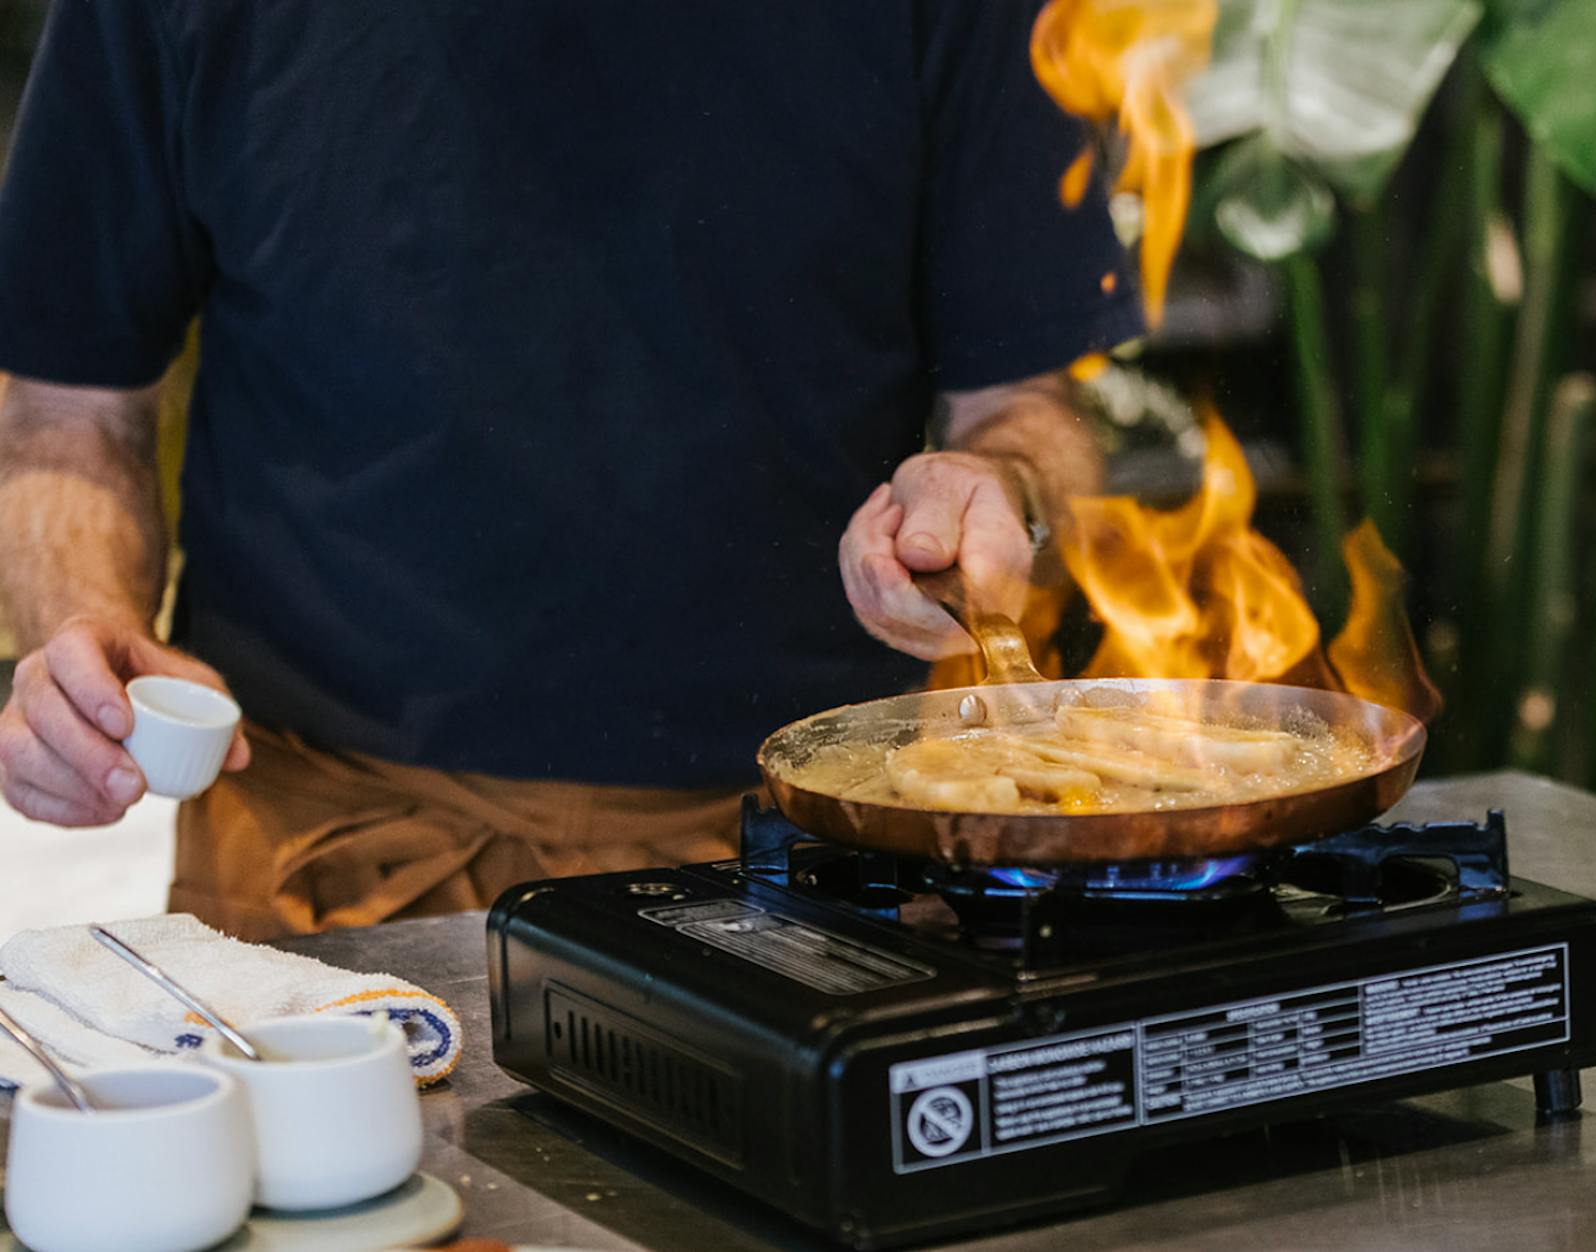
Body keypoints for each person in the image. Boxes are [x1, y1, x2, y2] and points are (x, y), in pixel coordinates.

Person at [0, 0, 1138, 938]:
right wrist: (84, 634)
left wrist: (1003, 494)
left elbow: (1030, 405)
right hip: (323, 857)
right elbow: (63, 410)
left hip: (818, 858)